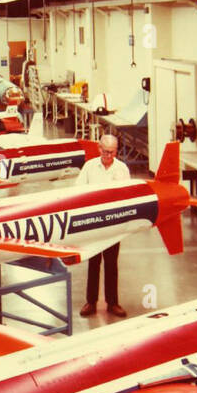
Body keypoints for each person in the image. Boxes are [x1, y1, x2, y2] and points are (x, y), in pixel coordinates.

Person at [77, 134, 131, 318]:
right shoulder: (89, 167)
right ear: (99, 148)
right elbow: (78, 192)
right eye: (106, 151)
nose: (109, 156)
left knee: (111, 264)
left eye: (112, 152)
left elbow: (128, 195)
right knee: (93, 263)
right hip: (93, 224)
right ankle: (90, 302)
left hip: (114, 224)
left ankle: (113, 303)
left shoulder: (122, 168)